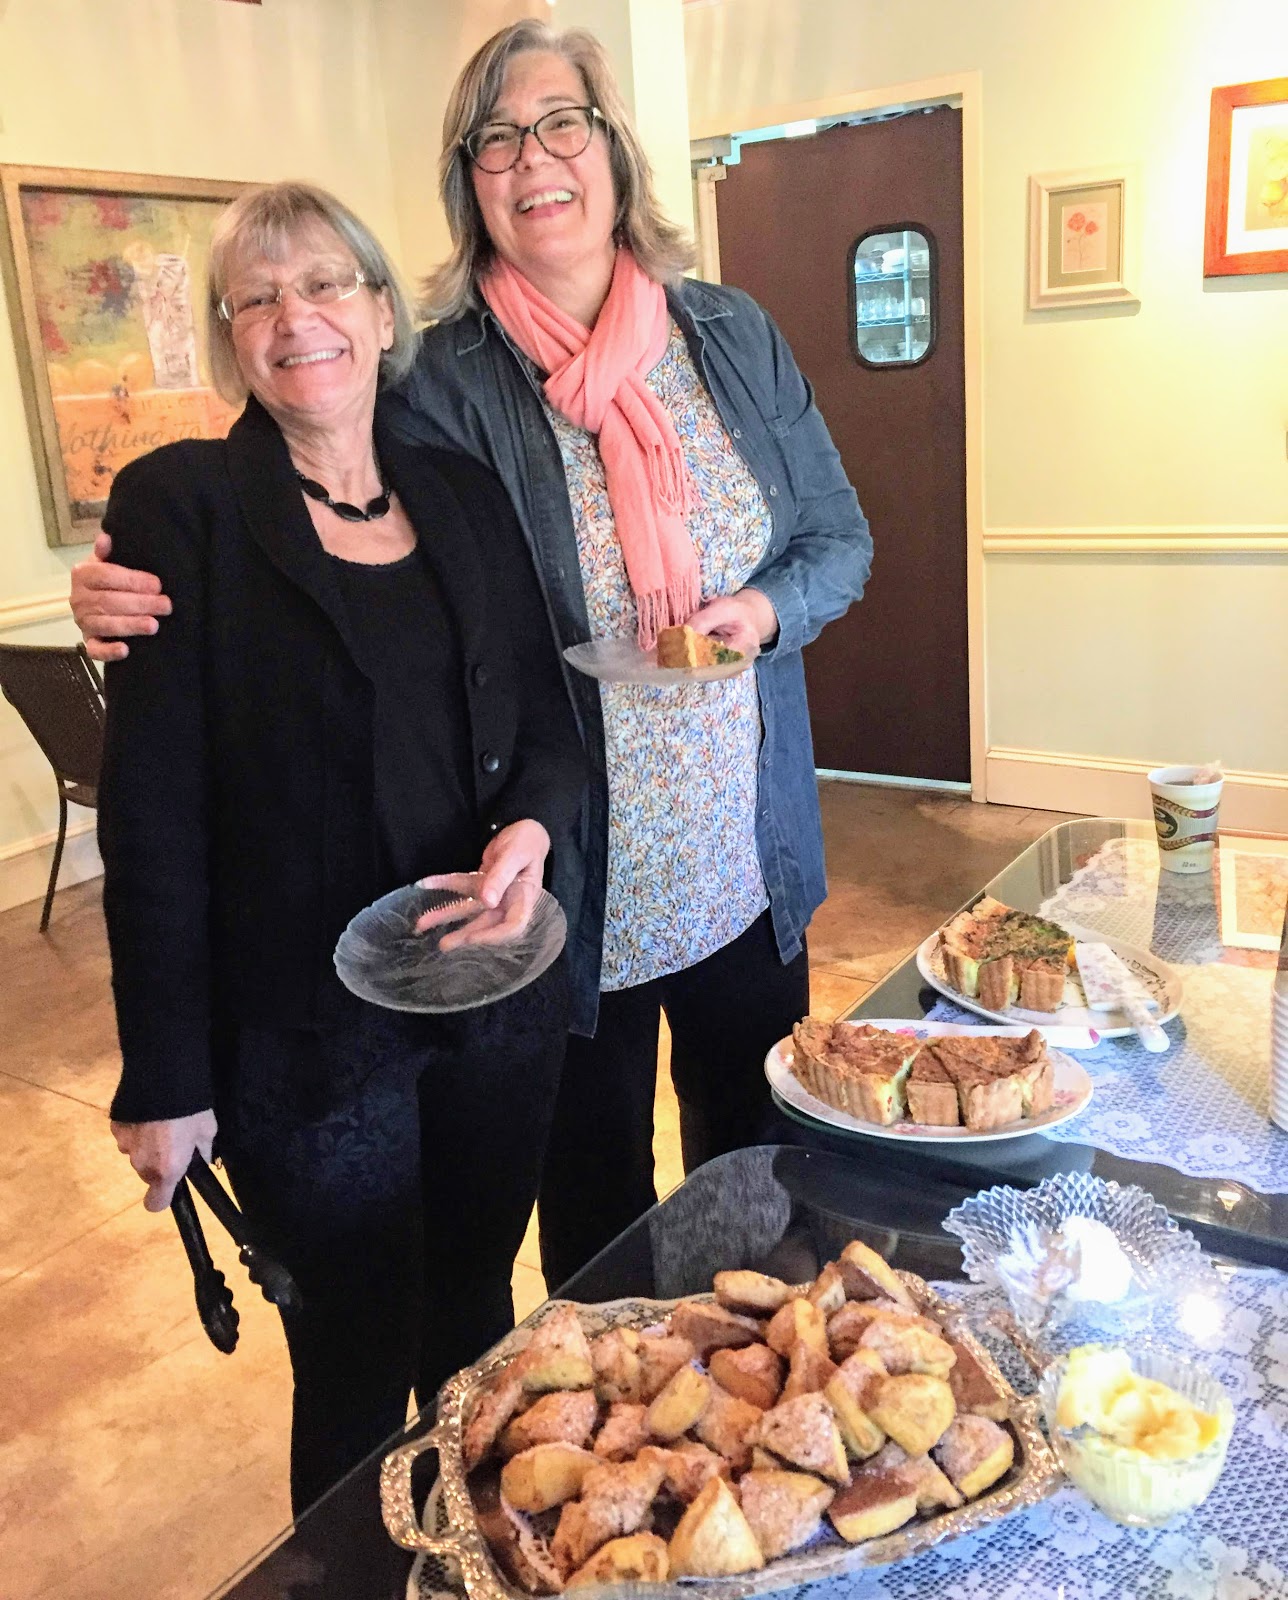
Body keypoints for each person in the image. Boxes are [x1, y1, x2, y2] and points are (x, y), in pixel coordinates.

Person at [71, 21, 873, 1291]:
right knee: (594, 1221)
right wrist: (150, 570)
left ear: (610, 153)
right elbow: (299, 465)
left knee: (761, 1182)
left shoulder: (728, 337)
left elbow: (837, 538)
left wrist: (760, 612)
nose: (532, 157)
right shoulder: (434, 380)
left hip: (741, 855)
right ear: (468, 183)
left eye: (561, 124)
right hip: (561, 878)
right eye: (494, 138)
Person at [95, 180, 584, 1515]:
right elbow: (151, 814)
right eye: (255, 298)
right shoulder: (178, 509)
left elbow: (547, 712)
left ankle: (473, 1554)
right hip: (304, 1036)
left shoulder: (462, 491)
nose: (292, 317)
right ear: (228, 337)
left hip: (491, 995)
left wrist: (534, 824)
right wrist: (167, 1076)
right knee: (357, 1355)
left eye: (322, 284)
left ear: (379, 309)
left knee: (478, 1312)